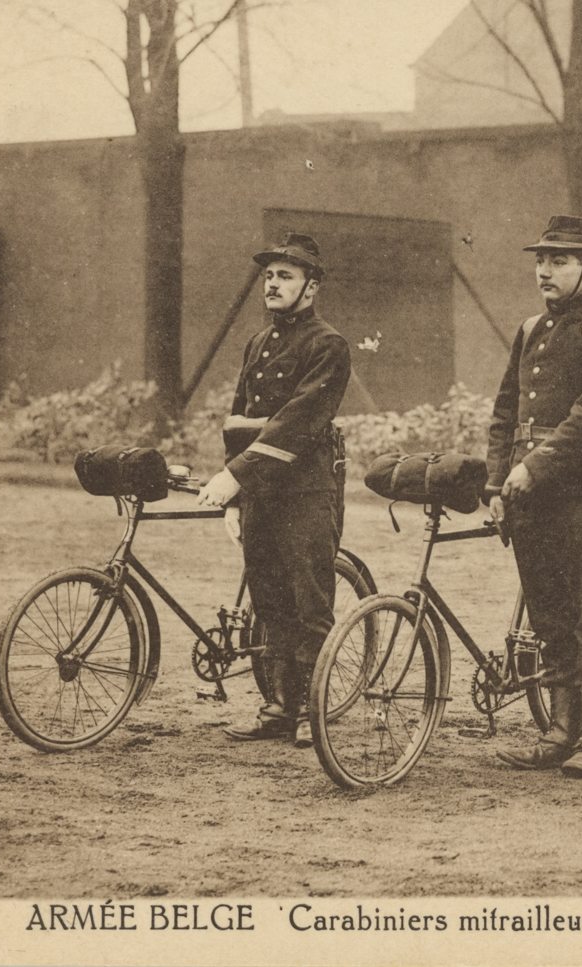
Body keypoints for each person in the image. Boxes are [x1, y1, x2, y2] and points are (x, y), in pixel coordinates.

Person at [487, 215, 582, 779]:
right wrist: (496, 483)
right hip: (529, 498)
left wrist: (535, 467)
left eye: (559, 262)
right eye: (541, 261)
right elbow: (505, 412)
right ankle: (559, 732)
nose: (544, 272)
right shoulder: (530, 330)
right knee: (549, 616)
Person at [198, 232, 351, 750]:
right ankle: (279, 707)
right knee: (269, 599)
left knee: (310, 601)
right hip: (262, 492)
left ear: (311, 288)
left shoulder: (327, 345)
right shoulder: (257, 344)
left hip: (307, 490)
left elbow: (299, 420)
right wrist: (238, 496)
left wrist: (235, 475)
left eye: (285, 275)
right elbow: (239, 423)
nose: (272, 283)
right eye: (269, 275)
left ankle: (312, 710)